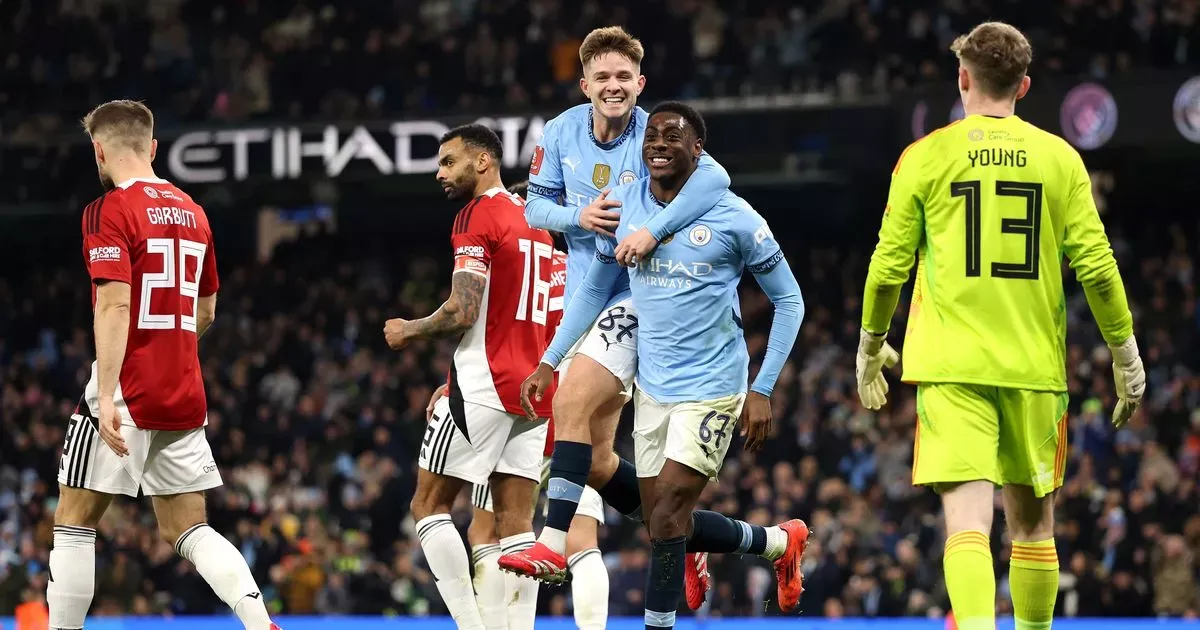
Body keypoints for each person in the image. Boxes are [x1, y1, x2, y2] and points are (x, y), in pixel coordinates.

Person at [855, 22, 1146, 630]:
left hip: (951, 365)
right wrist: (1125, 355)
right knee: (1035, 527)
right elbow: (1096, 265)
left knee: (966, 526)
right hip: (1034, 367)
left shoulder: (926, 155)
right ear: (1025, 86)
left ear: (963, 79)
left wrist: (872, 344)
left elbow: (888, 269)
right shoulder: (1060, 158)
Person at [524, 102, 809, 626]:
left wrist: (763, 387)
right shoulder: (624, 204)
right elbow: (593, 289)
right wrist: (550, 359)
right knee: (661, 527)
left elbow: (791, 301)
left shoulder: (735, 216)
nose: (656, 143)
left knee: (670, 514)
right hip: (654, 386)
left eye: (671, 136)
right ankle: (776, 543)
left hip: (714, 387)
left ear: (697, 150)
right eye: (651, 134)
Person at [502, 25, 731, 609]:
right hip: (584, 294)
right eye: (602, 77)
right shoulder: (559, 132)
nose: (613, 87)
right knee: (601, 463)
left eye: (623, 77)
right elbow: (532, 207)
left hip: (639, 297)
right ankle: (766, 542)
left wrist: (651, 229)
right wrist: (581, 216)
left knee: (570, 404)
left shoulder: (656, 135)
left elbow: (715, 177)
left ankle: (551, 544)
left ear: (640, 83)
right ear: (585, 85)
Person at [50, 100, 279, 630]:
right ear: (153, 148)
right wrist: (169, 347)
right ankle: (259, 621)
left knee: (74, 521)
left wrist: (106, 396)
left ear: (99, 150)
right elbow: (207, 310)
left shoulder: (107, 210)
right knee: (188, 528)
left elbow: (114, 304)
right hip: (183, 390)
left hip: (128, 389)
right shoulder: (195, 212)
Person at [384, 125, 553, 630]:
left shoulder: (476, 216)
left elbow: (462, 310)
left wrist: (409, 330)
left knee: (429, 503)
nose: (440, 173)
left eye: (448, 162)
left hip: (486, 383)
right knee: (516, 524)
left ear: (483, 162)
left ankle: (471, 625)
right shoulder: (537, 221)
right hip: (535, 389)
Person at [433, 180, 608, 630]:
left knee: (487, 529)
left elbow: (500, 331)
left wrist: (453, 383)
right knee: (582, 543)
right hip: (574, 420)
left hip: (515, 404)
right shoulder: (584, 272)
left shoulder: (516, 262)